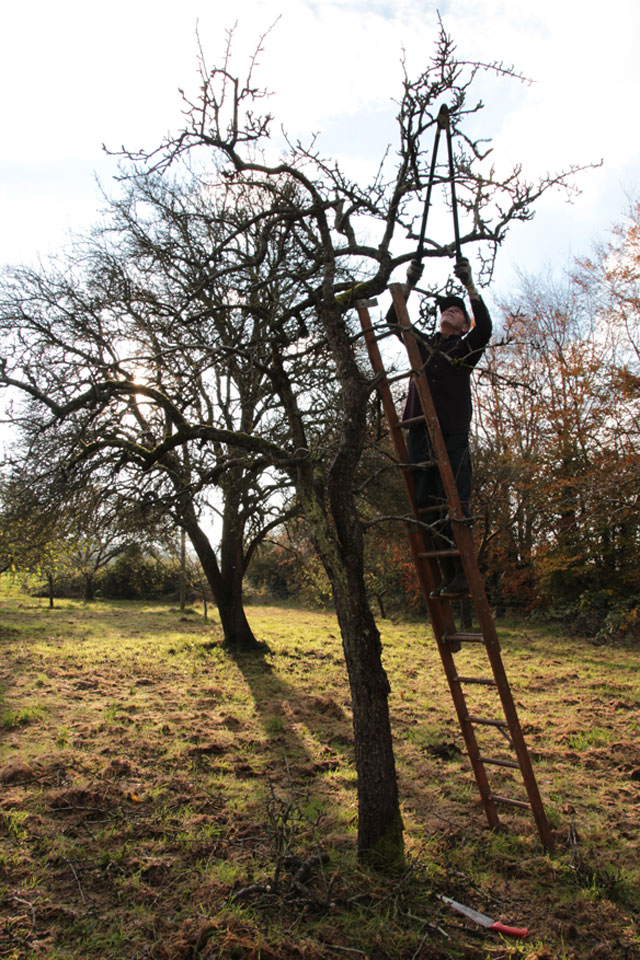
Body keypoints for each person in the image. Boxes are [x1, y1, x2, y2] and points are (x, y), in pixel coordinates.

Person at [387, 256, 492, 597]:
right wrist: (410, 280)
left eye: (457, 311)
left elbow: (486, 329)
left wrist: (470, 285)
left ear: (463, 326)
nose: (449, 311)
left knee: (456, 505)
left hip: (451, 434)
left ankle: (463, 576)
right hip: (420, 432)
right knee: (426, 504)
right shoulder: (424, 345)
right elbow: (393, 318)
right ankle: (450, 577)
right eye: (445, 309)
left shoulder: (464, 348)